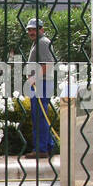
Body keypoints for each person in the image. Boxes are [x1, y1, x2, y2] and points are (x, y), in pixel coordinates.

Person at [25, 18, 57, 159]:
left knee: (39, 116)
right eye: (29, 29)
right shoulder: (38, 43)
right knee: (41, 115)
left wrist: (33, 78)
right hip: (40, 83)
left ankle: (41, 149)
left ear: (41, 29)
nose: (31, 32)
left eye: (34, 29)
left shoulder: (43, 43)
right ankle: (48, 146)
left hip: (41, 83)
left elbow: (49, 64)